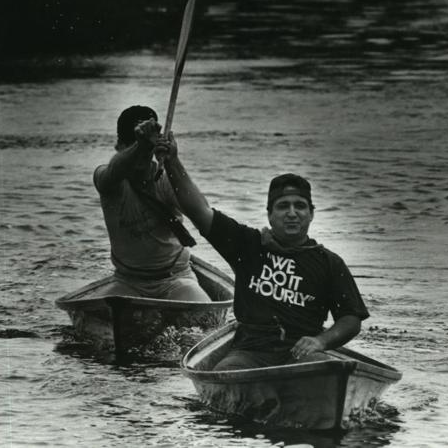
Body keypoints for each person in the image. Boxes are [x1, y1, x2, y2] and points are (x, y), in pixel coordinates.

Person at [156, 132, 369, 370]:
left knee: (326, 370)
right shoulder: (247, 244)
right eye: (282, 206)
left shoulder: (329, 262)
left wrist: (321, 341)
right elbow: (199, 210)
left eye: (300, 206)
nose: (291, 213)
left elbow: (351, 319)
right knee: (225, 371)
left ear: (311, 214)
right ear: (269, 214)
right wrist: (172, 161)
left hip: (301, 353)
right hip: (249, 351)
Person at [90, 105, 210, 302]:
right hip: (127, 282)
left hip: (176, 279)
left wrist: (173, 161)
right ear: (118, 147)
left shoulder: (165, 178)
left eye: (147, 151)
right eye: (132, 147)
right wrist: (141, 146)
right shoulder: (107, 178)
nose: (140, 160)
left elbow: (202, 214)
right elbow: (115, 171)